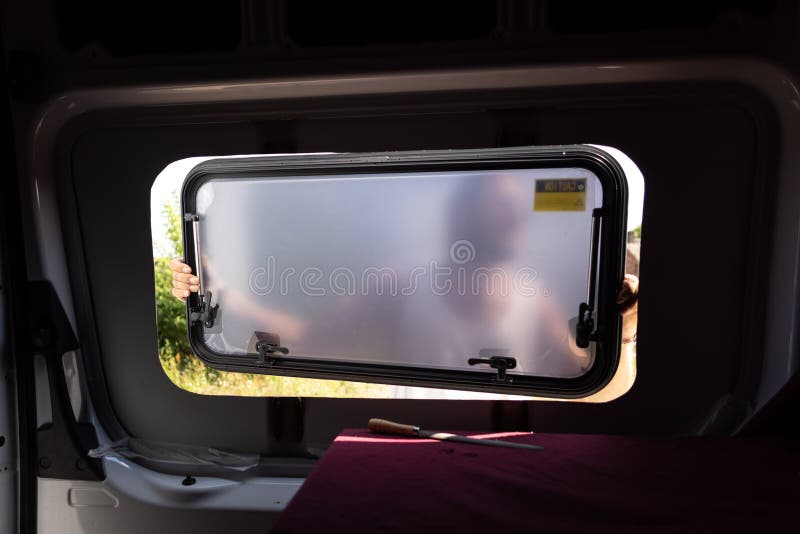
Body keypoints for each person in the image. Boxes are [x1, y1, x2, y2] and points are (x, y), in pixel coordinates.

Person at [168, 171, 640, 399]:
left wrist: (623, 330)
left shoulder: (534, 299)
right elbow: (308, 339)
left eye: (516, 209)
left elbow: (592, 387)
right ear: (460, 215)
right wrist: (224, 295)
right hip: (413, 443)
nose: (512, 218)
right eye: (498, 206)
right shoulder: (401, 285)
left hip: (509, 448)